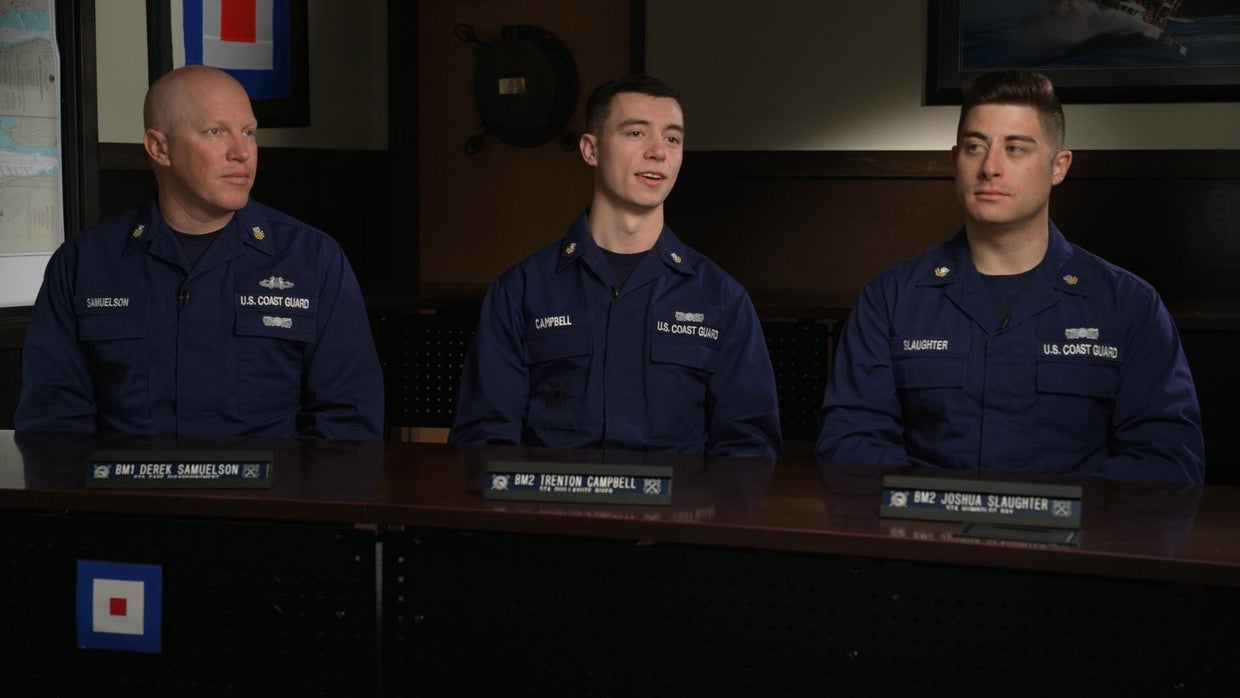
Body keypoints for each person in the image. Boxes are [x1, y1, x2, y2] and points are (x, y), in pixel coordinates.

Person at [816, 69, 1204, 483]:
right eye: (974, 147)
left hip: (1077, 524)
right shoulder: (890, 298)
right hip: (923, 522)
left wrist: (1054, 510)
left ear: (1058, 167)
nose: (990, 167)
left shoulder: (1128, 304)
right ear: (955, 161)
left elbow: (1167, 459)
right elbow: (851, 444)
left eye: (1015, 149)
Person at [15, 66, 383, 440]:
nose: (242, 153)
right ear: (159, 148)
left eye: (249, 132)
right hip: (126, 479)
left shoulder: (312, 259)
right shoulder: (82, 263)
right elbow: (53, 425)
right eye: (215, 132)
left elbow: (348, 422)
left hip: (272, 478)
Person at [449, 75, 781, 458]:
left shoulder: (721, 298)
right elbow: (483, 438)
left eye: (672, 138)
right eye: (636, 133)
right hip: (553, 494)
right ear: (591, 149)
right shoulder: (520, 291)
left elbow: (749, 449)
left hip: (678, 496)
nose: (658, 152)